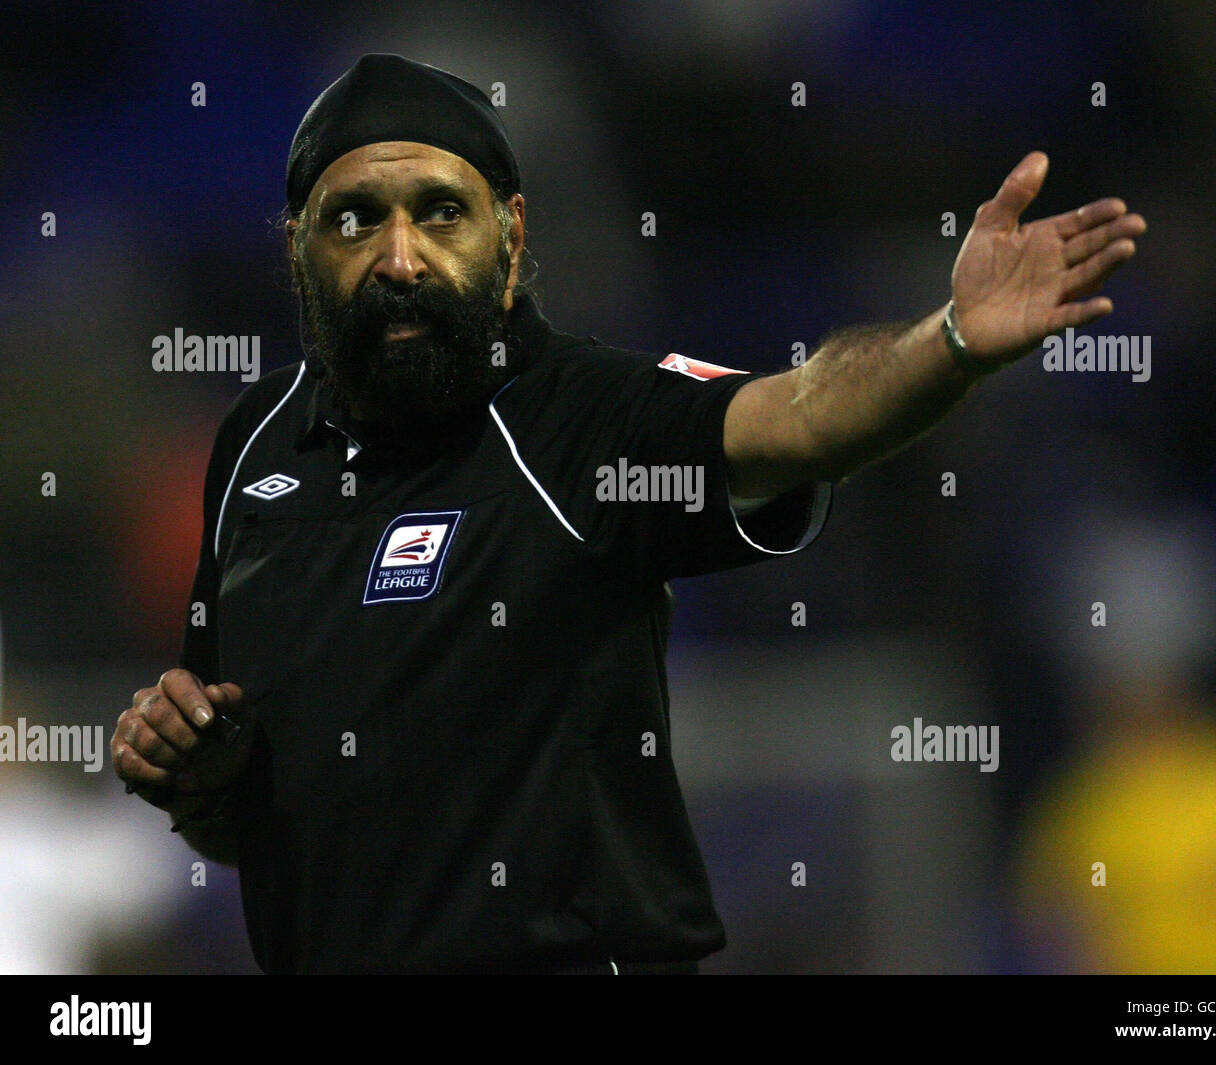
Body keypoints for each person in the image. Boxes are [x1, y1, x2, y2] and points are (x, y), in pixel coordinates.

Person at [111, 53, 1146, 974]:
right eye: (354, 219)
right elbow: (252, 822)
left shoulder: (584, 415)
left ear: (510, 240)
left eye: (439, 212)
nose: (400, 258)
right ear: (297, 245)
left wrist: (951, 341)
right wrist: (200, 781)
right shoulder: (252, 451)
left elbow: (800, 415)